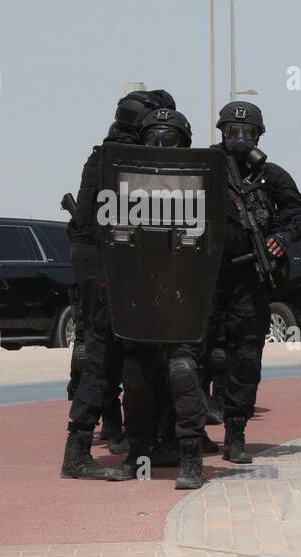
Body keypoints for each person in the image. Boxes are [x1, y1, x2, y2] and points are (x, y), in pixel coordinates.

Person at [61, 89, 174, 480]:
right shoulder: (124, 159)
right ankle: (78, 453)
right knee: (104, 355)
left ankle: (123, 441)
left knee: (110, 354)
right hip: (107, 267)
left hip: (100, 263)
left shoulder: (104, 154)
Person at [104, 108, 212, 489]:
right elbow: (106, 230)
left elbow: (215, 237)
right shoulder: (123, 178)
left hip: (182, 292)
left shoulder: (199, 178)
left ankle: (190, 459)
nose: (162, 146)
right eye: (155, 137)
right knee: (135, 376)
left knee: (182, 372)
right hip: (138, 292)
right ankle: (138, 456)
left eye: (170, 138)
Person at [210, 101, 301, 463]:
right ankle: (188, 437)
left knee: (245, 358)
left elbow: (298, 215)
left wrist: (283, 237)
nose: (238, 139)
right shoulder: (205, 168)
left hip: (250, 279)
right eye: (232, 132)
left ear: (258, 136)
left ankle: (236, 432)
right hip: (206, 279)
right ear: (221, 132)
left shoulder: (271, 176)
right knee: (197, 356)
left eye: (247, 133)